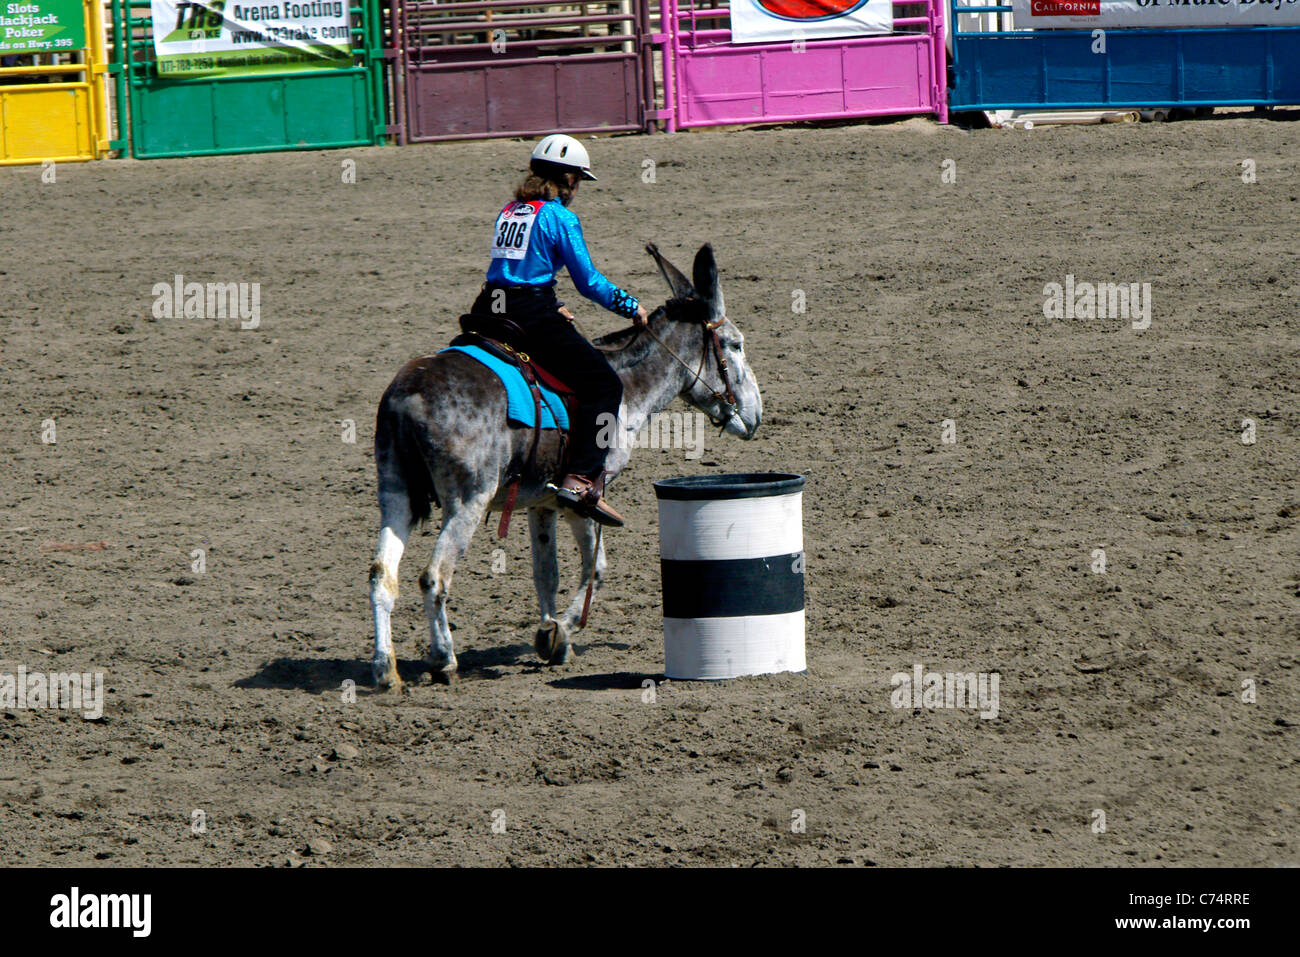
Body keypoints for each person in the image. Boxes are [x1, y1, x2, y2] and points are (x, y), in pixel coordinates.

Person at [469, 133, 648, 528]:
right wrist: (630, 306)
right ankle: (580, 479)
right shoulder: (560, 217)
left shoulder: (509, 210)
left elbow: (512, 270)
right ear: (567, 179)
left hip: (488, 307)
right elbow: (588, 282)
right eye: (578, 179)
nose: (578, 187)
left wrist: (553, 303)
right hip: (529, 313)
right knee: (605, 386)